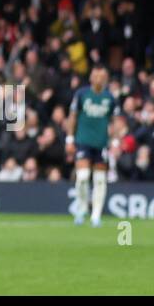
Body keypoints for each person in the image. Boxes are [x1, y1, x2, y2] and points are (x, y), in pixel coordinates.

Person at [66, 65, 117, 227]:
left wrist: (114, 142)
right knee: (82, 177)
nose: (99, 79)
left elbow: (114, 121)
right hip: (82, 141)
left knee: (100, 180)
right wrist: (69, 139)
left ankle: (96, 215)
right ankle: (81, 209)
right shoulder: (81, 94)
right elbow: (73, 117)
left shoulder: (110, 98)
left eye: (102, 76)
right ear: (91, 78)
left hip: (101, 143)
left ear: (106, 79)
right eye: (96, 76)